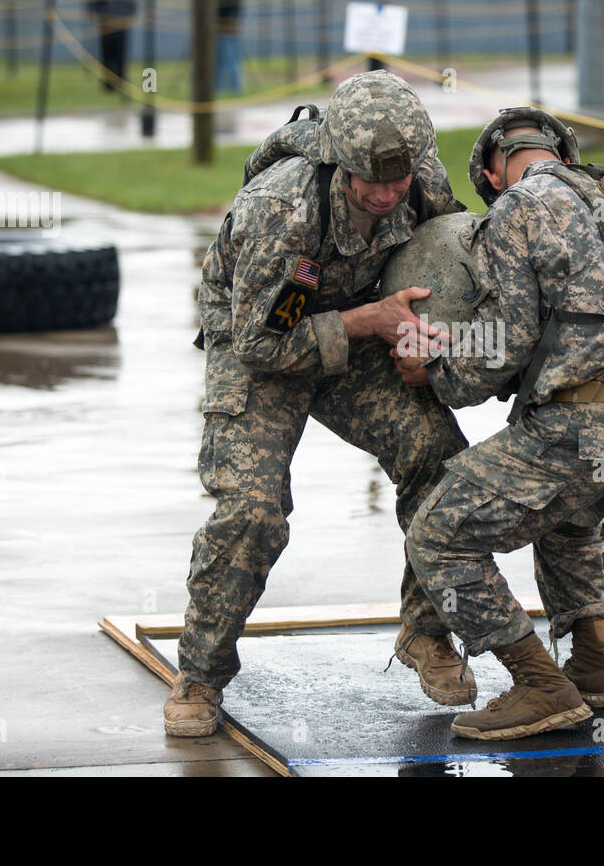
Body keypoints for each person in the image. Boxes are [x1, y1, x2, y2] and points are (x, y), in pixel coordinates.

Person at [165, 71, 476, 737]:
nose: (389, 194)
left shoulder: (418, 183)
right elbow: (260, 345)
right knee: (252, 510)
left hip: (356, 325)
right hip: (263, 341)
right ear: (339, 161)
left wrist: (426, 350)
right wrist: (371, 322)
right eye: (373, 182)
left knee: (440, 456)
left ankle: (426, 633)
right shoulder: (281, 211)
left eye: (399, 180)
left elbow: (444, 266)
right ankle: (199, 674)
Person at [395, 109, 604, 740]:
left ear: (494, 171)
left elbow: (503, 345)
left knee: (437, 534)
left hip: (578, 426)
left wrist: (435, 372)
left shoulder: (516, 208)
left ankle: (539, 685)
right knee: (567, 517)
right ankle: (595, 664)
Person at [89, 0, 137, 92]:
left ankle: (121, 83)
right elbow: (94, 6)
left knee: (120, 57)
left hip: (121, 29)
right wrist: (103, 17)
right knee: (107, 58)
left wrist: (126, 18)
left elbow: (132, 6)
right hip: (106, 29)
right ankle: (108, 85)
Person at [216, 0, 243, 94]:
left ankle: (235, 87)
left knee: (231, 60)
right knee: (217, 61)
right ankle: (217, 87)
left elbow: (234, 8)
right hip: (217, 30)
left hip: (229, 30)